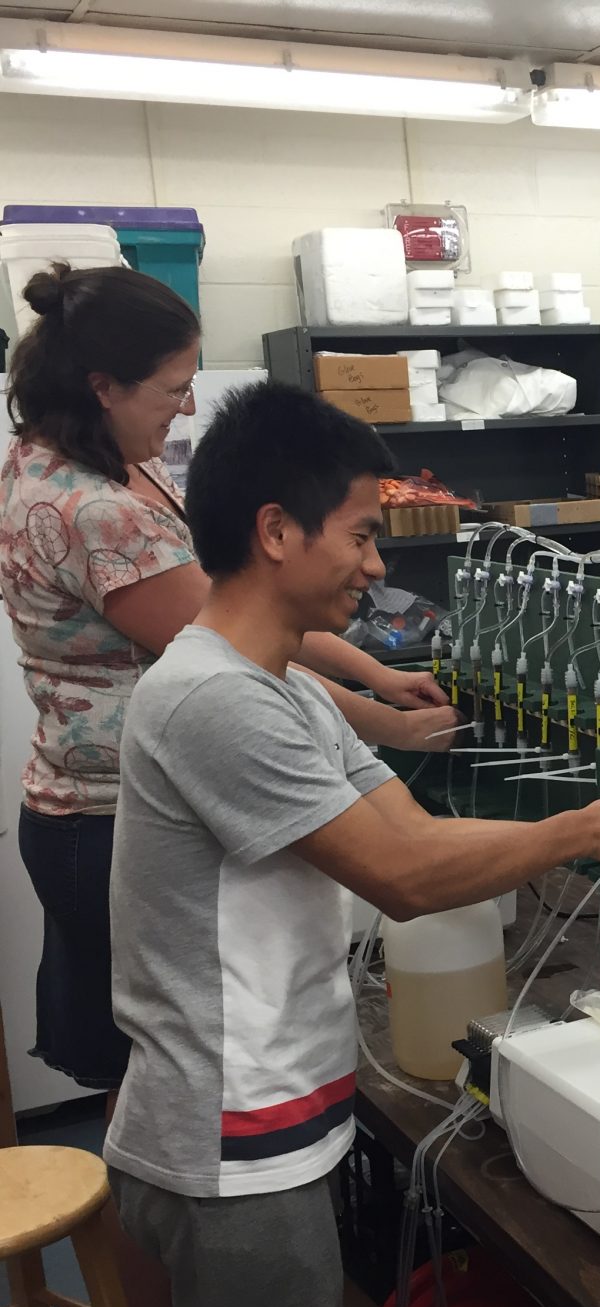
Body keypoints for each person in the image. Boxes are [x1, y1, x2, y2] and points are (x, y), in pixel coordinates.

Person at [103, 380, 600, 1307]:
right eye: (362, 535)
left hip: (260, 1120)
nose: (380, 567)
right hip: (230, 1147)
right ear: (276, 532)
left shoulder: (286, 688)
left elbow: (412, 831)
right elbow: (401, 875)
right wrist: (576, 832)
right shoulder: (213, 699)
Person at [0, 262, 460, 1097]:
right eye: (173, 388)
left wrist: (377, 675)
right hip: (106, 821)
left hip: (92, 800)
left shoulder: (93, 459)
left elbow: (246, 595)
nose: (185, 408)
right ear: (103, 386)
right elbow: (233, 644)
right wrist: (384, 722)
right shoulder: (91, 509)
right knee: (167, 1078)